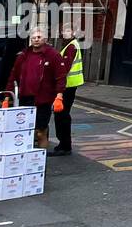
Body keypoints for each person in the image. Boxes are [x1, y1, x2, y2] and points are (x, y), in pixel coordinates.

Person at [7, 26, 65, 151]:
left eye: (39, 37)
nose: (36, 40)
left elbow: (60, 77)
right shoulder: (23, 55)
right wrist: (7, 95)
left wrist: (59, 95)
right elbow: (13, 75)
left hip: (43, 100)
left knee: (40, 132)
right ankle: (27, 159)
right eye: (33, 37)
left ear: (45, 38)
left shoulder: (53, 55)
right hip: (25, 98)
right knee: (25, 131)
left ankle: (40, 158)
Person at [54, 23, 83, 156]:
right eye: (63, 30)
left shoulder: (71, 47)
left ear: (73, 33)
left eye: (67, 30)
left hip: (67, 86)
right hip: (69, 85)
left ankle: (65, 145)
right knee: (62, 114)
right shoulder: (70, 45)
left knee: (62, 115)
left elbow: (65, 68)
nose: (64, 32)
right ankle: (64, 144)